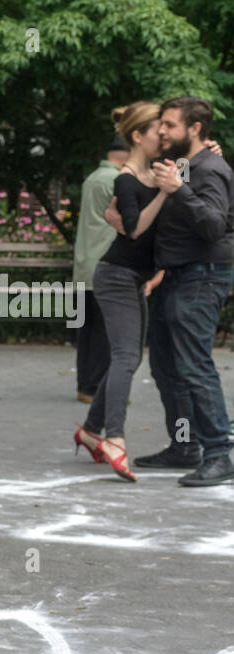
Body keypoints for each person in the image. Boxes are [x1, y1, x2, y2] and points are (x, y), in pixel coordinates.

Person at [130, 97, 234, 486]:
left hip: (201, 277)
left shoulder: (212, 169)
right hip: (174, 276)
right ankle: (185, 445)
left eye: (170, 125)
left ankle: (220, 454)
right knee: (166, 367)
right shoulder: (188, 164)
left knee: (193, 366)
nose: (162, 131)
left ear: (194, 129)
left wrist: (179, 190)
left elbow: (212, 226)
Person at [73, 104, 167, 482]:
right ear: (137, 136)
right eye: (158, 129)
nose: (164, 136)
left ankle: (90, 431)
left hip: (135, 277)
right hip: (115, 276)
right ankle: (114, 438)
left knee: (127, 359)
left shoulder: (156, 171)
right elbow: (133, 230)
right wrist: (163, 194)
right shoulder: (127, 179)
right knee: (126, 357)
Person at [71, 135, 129, 403]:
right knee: (107, 333)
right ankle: (101, 389)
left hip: (85, 265)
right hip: (104, 264)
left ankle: (86, 386)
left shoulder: (93, 177)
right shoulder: (115, 180)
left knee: (88, 333)